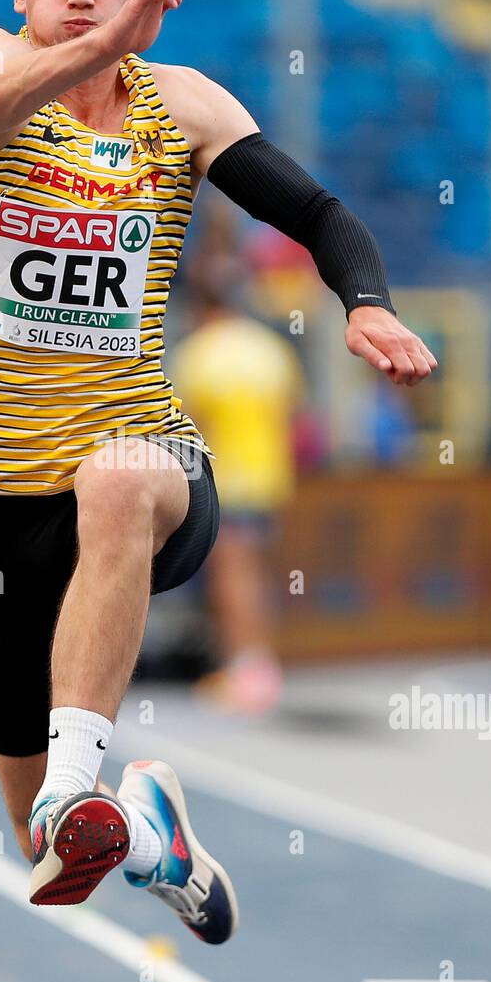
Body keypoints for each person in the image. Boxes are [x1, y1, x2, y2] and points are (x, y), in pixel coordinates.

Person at [0, 0, 437, 944]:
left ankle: (83, 783)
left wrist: (363, 300)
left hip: (146, 463)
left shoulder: (184, 105)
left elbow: (318, 210)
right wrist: (102, 45)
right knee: (34, 842)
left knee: (118, 476)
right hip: (3, 484)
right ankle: (144, 829)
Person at [172, 199, 305, 715]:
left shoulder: (199, 353)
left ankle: (246, 670)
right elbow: (292, 418)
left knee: (233, 580)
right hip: (270, 480)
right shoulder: (270, 350)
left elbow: (187, 430)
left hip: (228, 484)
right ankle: (258, 663)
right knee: (255, 576)